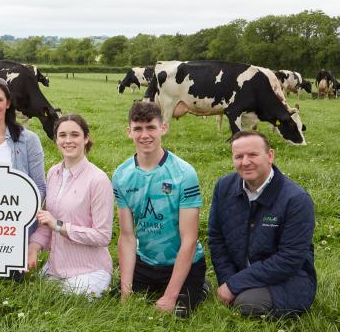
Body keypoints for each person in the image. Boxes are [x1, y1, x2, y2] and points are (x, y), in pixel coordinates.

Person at [112, 101, 207, 317]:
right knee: (117, 295)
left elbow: (190, 239)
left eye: (151, 127)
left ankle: (198, 285)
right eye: (138, 128)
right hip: (146, 262)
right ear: (129, 132)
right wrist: (125, 294)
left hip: (183, 262)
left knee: (178, 314)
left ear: (163, 128)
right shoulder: (121, 175)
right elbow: (127, 237)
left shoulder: (184, 173)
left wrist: (170, 296)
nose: (144, 135)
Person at [208, 130, 316, 317]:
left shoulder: (297, 199)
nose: (245, 162)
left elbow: (289, 259)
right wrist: (227, 281)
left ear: (270, 156)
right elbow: (216, 238)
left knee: (247, 303)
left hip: (287, 279)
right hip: (241, 273)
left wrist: (234, 285)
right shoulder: (223, 187)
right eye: (239, 156)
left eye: (253, 155)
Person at [27, 114, 113, 297]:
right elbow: (46, 222)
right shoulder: (53, 173)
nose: (68, 140)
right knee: (36, 295)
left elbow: (103, 236)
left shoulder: (98, 180)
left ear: (86, 138)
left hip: (89, 270)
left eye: (75, 135)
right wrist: (33, 248)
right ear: (56, 139)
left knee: (62, 303)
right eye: (62, 135)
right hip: (56, 268)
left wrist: (59, 225)